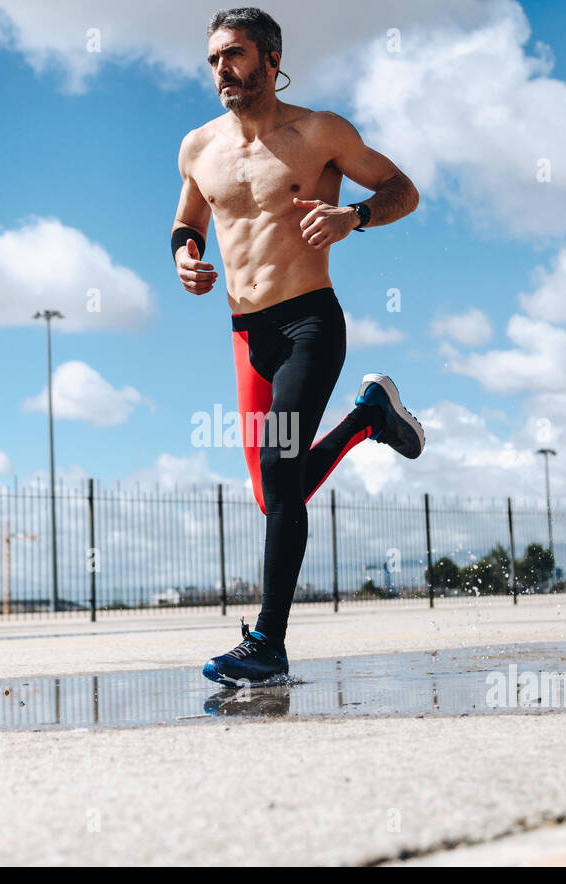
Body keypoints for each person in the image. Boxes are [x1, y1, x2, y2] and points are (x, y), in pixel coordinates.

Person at [171, 7, 424, 686]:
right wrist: (185, 258)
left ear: (271, 59)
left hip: (309, 324)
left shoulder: (320, 133)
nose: (223, 69)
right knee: (270, 492)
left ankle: (268, 647)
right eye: (214, 59)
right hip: (245, 336)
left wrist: (356, 215)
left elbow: (404, 189)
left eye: (235, 55)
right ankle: (370, 416)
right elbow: (188, 219)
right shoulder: (198, 147)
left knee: (283, 475)